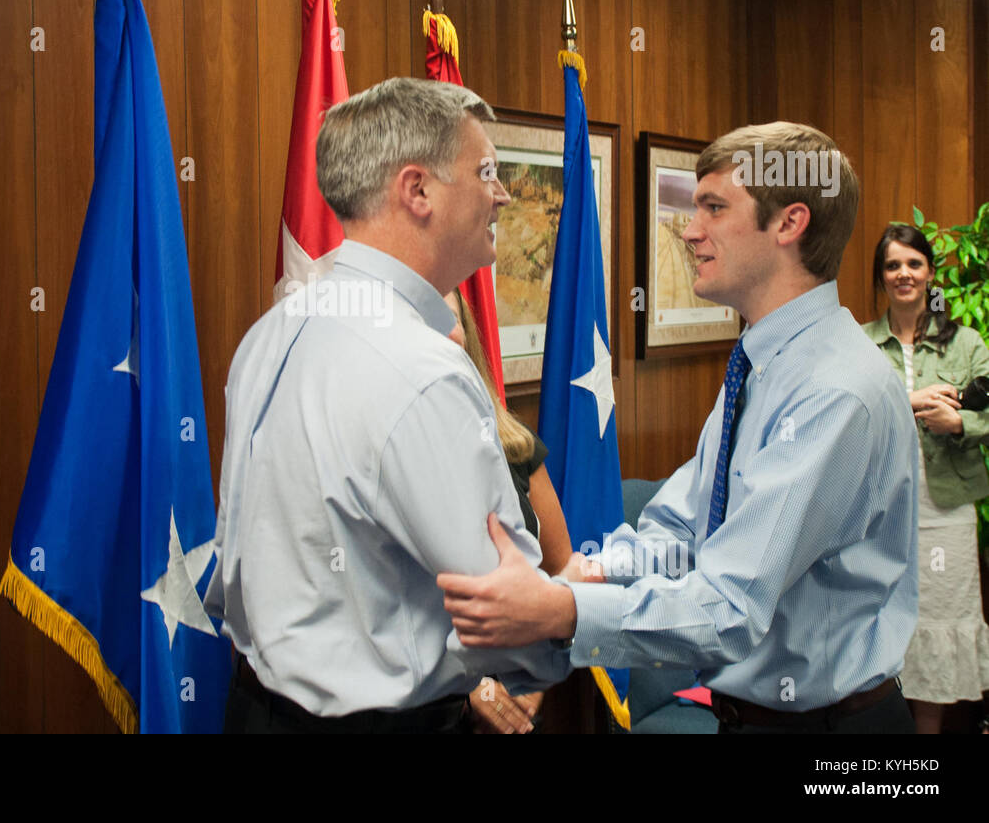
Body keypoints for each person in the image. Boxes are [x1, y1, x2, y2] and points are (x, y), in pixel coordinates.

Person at [439, 121, 921, 734]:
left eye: (714, 208)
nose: (689, 230)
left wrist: (559, 609)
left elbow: (728, 608)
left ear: (789, 224)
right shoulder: (762, 360)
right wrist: (590, 571)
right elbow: (684, 529)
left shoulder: (833, 392)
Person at [205, 77, 574, 733]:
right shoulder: (425, 368)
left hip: (256, 707)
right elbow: (509, 621)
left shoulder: (270, 333)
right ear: (418, 190)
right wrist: (567, 634)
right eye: (486, 171)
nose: (503, 193)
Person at [862, 224, 989, 733]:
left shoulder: (967, 343)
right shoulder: (860, 343)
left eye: (913, 264)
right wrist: (907, 401)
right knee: (884, 618)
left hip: (946, 511)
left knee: (936, 619)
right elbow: (850, 414)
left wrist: (960, 423)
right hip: (879, 511)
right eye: (893, 266)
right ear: (881, 277)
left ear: (931, 273)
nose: (904, 274)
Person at [444, 289, 574, 733]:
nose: (441, 334)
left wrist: (534, 671)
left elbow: (563, 571)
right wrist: (466, 686)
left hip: (519, 705)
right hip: (429, 708)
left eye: (450, 319)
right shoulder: (385, 456)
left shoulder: (515, 446)